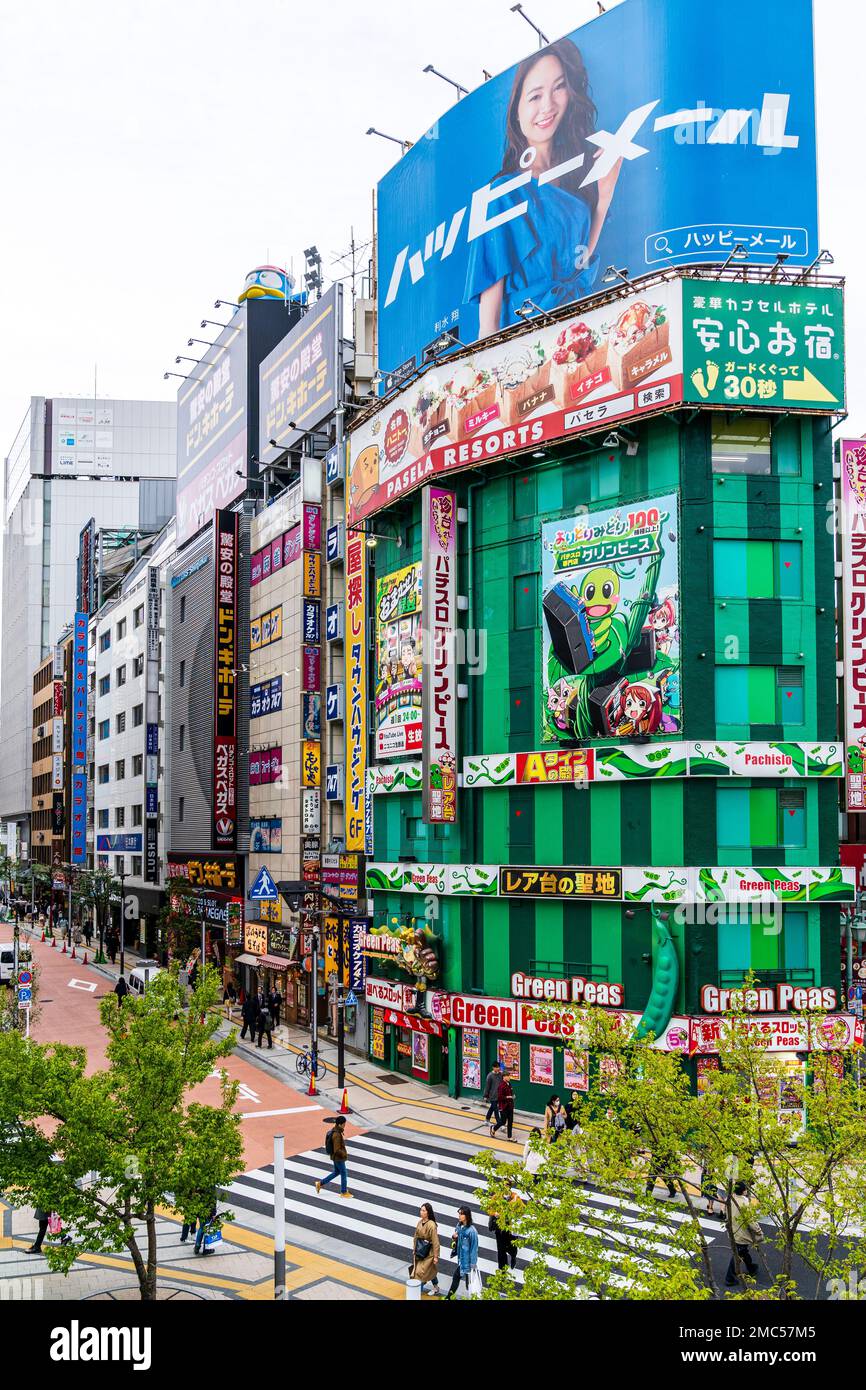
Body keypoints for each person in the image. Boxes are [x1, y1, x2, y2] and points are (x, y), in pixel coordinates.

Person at [464, 38, 621, 340]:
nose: (548, 105)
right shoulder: (501, 194)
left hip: (577, 328)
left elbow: (579, 264)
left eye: (559, 87)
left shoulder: (575, 179)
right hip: (525, 336)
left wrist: (604, 197)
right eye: (535, 96)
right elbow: (488, 318)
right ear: (517, 110)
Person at [725, 1182, 762, 1287]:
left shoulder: (730, 1199)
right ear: (743, 1191)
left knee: (743, 1250)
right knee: (738, 1253)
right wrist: (758, 1231)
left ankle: (751, 1267)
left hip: (733, 1229)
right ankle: (730, 1278)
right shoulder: (744, 1203)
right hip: (741, 1232)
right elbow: (751, 1220)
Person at [444, 1206, 480, 1300]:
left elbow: (474, 1248)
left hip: (467, 1261)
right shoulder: (459, 1226)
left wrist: (473, 1264)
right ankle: (472, 1296)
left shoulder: (472, 1231)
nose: (459, 1216)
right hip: (461, 1257)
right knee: (469, 1280)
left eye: (461, 1214)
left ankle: (449, 1297)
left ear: (467, 1215)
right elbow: (456, 1238)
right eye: (459, 1213)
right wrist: (454, 1237)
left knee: (458, 1277)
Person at [315, 1116, 352, 1198]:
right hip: (338, 1157)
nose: (345, 1125)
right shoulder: (337, 1135)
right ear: (340, 1125)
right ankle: (343, 1192)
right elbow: (337, 1149)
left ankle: (320, 1184)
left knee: (336, 1172)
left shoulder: (335, 1130)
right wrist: (344, 1154)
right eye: (344, 1124)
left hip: (335, 1157)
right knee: (343, 1173)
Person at [410, 1201, 440, 1295]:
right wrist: (414, 1248)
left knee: (421, 1272)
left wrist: (435, 1256)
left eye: (423, 1210)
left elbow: (435, 1241)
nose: (421, 1212)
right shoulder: (420, 1222)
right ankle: (436, 1287)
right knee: (429, 1270)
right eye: (421, 1210)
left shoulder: (431, 1225)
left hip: (428, 1252)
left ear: (428, 1212)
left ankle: (417, 1292)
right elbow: (416, 1236)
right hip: (420, 1250)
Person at [489, 1192, 522, 1271]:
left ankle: (513, 1257)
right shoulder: (496, 1197)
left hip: (511, 1229)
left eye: (507, 1184)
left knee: (512, 1248)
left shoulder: (515, 1197)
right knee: (501, 1251)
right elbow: (489, 1208)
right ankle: (502, 1270)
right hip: (500, 1228)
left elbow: (522, 1210)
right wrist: (494, 1213)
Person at [491, 1071, 516, 1140]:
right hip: (503, 1107)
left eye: (509, 1076)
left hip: (510, 1106)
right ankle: (493, 1128)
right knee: (503, 1121)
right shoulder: (501, 1086)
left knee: (510, 1121)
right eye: (508, 1076)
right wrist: (509, 1097)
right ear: (504, 1077)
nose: (509, 1077)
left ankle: (509, 1137)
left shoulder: (509, 1084)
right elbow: (500, 1097)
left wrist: (512, 1096)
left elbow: (510, 1093)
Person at [483, 1061, 504, 1129]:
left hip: (499, 1096)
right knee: (496, 1110)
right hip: (492, 1096)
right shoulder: (490, 1076)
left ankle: (487, 1120)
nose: (498, 1068)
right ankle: (500, 1124)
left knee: (492, 1108)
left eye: (499, 1067)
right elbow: (487, 1086)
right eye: (496, 1067)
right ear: (493, 1067)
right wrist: (485, 1096)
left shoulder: (501, 1075)